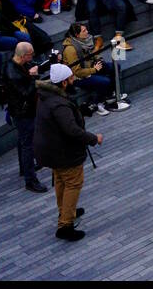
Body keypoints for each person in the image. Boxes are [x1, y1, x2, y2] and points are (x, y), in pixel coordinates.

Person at [33, 63, 102, 241]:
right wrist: (94, 138)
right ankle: (66, 224)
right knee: (73, 183)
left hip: (51, 150)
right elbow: (72, 130)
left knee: (61, 181)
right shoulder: (59, 104)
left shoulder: (46, 96)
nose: (74, 80)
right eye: (71, 78)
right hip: (63, 152)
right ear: (64, 83)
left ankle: (66, 210)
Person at [3, 41, 46, 193]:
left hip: (23, 110)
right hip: (23, 112)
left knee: (23, 141)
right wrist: (33, 77)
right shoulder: (13, 73)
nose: (33, 57)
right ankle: (30, 180)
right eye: (31, 55)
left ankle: (24, 168)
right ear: (23, 56)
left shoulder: (16, 64)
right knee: (27, 144)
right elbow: (26, 93)